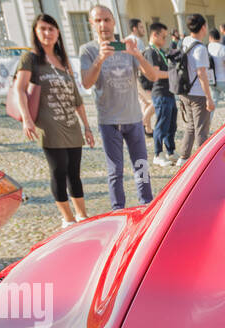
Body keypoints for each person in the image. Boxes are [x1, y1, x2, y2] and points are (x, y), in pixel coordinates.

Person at [80, 4, 164, 209]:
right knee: (115, 171)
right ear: (92, 24)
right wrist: (100, 59)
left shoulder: (127, 47)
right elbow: (86, 83)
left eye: (106, 20)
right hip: (109, 120)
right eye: (98, 20)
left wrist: (137, 54)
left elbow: (152, 76)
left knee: (141, 167)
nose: (103, 25)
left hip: (133, 118)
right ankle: (117, 210)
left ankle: (146, 206)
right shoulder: (88, 50)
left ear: (113, 22)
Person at [15, 13, 94, 229]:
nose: (47, 33)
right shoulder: (31, 59)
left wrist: (87, 127)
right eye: (43, 29)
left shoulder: (63, 60)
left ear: (58, 32)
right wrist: (27, 119)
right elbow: (20, 89)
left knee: (74, 173)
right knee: (59, 171)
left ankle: (82, 215)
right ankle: (67, 218)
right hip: (49, 125)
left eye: (51, 29)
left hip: (71, 124)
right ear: (35, 32)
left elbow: (76, 98)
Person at [175, 14, 214, 168]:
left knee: (191, 125)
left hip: (185, 91)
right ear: (203, 27)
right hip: (198, 93)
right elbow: (201, 73)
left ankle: (184, 157)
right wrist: (209, 97)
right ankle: (202, 163)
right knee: (201, 129)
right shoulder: (200, 49)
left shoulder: (185, 41)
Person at [146, 22, 177, 165]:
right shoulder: (151, 52)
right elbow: (155, 73)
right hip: (160, 92)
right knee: (162, 124)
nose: (165, 40)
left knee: (171, 124)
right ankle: (158, 154)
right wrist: (173, 74)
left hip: (169, 91)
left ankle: (171, 151)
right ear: (155, 35)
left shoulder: (161, 51)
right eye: (163, 37)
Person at [126, 19, 155, 137]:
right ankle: (142, 124)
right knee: (156, 101)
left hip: (131, 77)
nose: (144, 30)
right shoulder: (137, 41)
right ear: (135, 28)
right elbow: (142, 61)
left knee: (144, 103)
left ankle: (148, 129)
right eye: (141, 27)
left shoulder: (127, 40)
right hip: (139, 77)